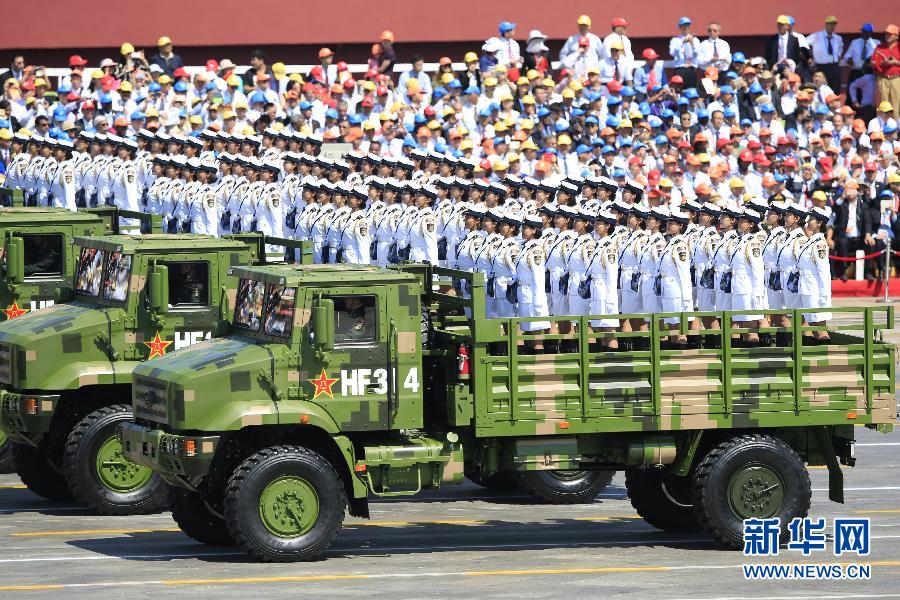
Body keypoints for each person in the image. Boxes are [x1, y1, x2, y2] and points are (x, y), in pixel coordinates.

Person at [798, 207, 832, 344]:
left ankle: (826, 353)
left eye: (811, 219)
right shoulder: (811, 241)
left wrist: (824, 293)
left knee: (819, 327)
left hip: (815, 289)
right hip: (807, 287)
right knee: (812, 324)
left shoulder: (819, 244)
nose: (808, 221)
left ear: (819, 223)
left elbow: (824, 270)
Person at [832, 181, 875, 280]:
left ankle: (868, 272)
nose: (849, 192)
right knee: (842, 242)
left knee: (870, 243)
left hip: (859, 237)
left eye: (852, 189)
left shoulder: (863, 206)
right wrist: (842, 197)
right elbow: (834, 209)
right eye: (848, 189)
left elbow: (867, 222)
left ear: (857, 192)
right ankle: (843, 272)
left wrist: (868, 234)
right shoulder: (842, 204)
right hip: (846, 236)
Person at [808, 16, 844, 92]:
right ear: (826, 24)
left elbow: (840, 49)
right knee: (821, 88)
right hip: (821, 66)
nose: (832, 26)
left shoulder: (838, 38)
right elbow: (804, 43)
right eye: (830, 24)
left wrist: (838, 57)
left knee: (835, 88)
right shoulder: (817, 36)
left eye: (834, 24)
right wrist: (809, 56)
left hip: (834, 65)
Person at [872, 24, 900, 119]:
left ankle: (895, 127)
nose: (887, 36)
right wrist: (882, 63)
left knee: (896, 106)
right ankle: (881, 126)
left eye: (890, 34)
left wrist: (896, 62)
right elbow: (873, 63)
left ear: (896, 36)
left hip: (896, 79)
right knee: (882, 106)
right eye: (886, 34)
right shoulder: (879, 47)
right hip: (882, 79)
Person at [842, 23, 880, 90]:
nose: (864, 34)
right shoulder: (855, 42)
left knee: (868, 93)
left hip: (869, 72)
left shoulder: (876, 43)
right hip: (856, 71)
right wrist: (849, 59)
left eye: (867, 32)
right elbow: (847, 55)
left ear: (871, 33)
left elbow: (879, 57)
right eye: (863, 31)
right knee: (852, 91)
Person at [669, 16, 701, 89]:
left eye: (688, 25)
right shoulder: (675, 40)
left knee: (691, 90)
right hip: (680, 68)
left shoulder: (695, 40)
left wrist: (692, 44)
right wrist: (682, 43)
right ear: (680, 27)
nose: (686, 27)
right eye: (684, 25)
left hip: (691, 68)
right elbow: (672, 53)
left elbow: (697, 53)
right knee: (678, 89)